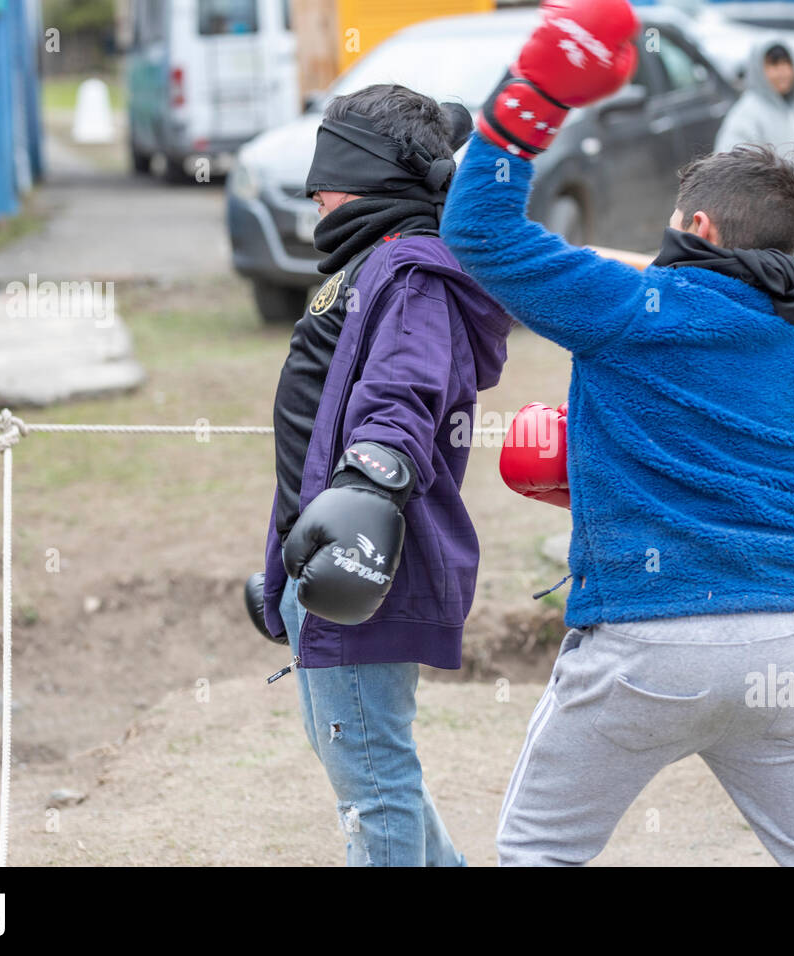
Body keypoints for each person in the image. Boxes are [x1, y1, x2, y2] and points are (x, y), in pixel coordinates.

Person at [442, 0, 794, 866]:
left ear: (697, 228)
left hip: (651, 639)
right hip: (790, 639)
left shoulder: (629, 309)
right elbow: (719, 454)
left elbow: (479, 231)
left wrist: (528, 99)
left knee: (538, 852)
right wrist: (605, 465)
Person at [245, 83, 511, 866]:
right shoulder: (373, 266)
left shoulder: (413, 275)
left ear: (366, 179)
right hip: (321, 560)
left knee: (374, 785)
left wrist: (371, 482)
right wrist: (286, 561)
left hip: (366, 562)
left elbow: (403, 390)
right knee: (363, 765)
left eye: (328, 173)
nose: (313, 193)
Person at [714, 40, 794, 235]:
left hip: (784, 218)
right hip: (756, 222)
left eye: (786, 64)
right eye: (773, 65)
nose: (782, 72)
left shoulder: (788, 111)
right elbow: (729, 169)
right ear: (758, 70)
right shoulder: (747, 115)